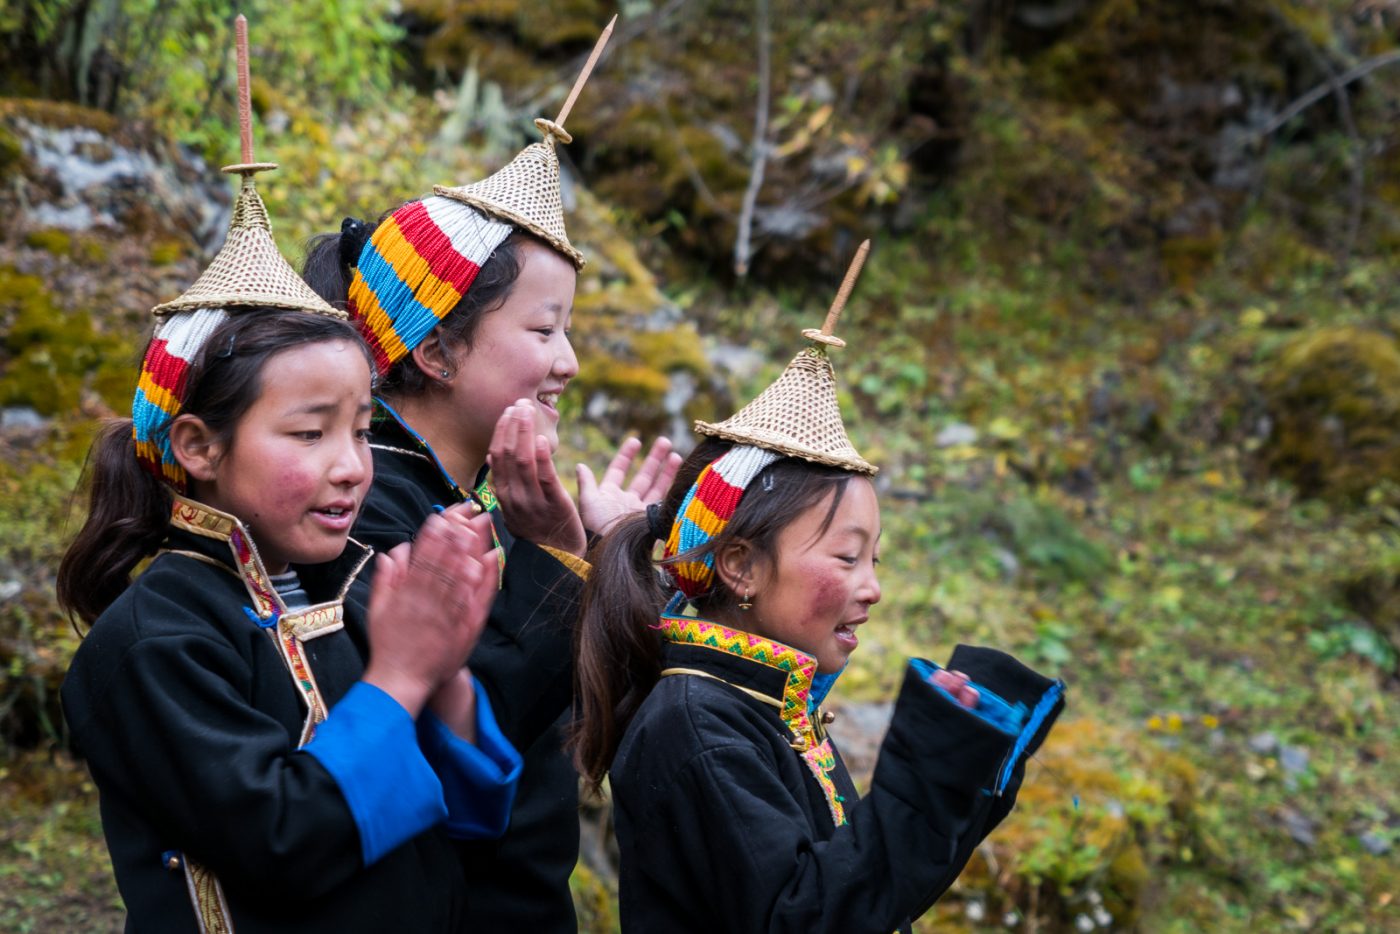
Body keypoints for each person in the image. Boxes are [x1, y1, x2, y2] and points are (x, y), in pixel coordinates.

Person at [59, 164, 521, 931]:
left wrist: (446, 676)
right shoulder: (153, 641)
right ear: (199, 447)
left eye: (361, 431)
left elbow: (471, 821)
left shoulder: (361, 587)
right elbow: (281, 842)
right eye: (310, 433)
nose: (351, 467)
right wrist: (402, 676)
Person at [570, 306, 1067, 932]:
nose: (873, 588)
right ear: (741, 567)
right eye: (847, 557)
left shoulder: (766, 706)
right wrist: (923, 777)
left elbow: (870, 902)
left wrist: (957, 767)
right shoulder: (697, 726)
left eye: (874, 559)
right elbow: (806, 920)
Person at [301, 117, 680, 931]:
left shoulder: (471, 504)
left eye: (567, 330)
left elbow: (575, 717)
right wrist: (557, 558)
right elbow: (462, 738)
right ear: (437, 351)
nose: (569, 362)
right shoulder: (362, 516)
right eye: (543, 330)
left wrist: (607, 556)